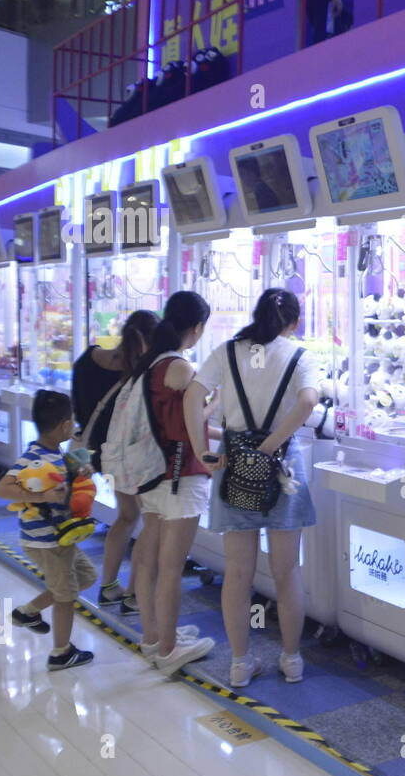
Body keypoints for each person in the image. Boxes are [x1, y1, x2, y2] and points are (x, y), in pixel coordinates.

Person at [187, 288, 321, 688]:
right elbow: (309, 402)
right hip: (284, 469)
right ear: (293, 322)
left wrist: (200, 450)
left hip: (234, 462)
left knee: (238, 572)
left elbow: (192, 397)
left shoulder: (227, 352)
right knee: (286, 571)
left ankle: (240, 663)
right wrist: (271, 445)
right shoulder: (300, 356)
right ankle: (292, 659)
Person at [129, 292, 218, 676]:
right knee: (171, 566)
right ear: (196, 328)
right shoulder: (180, 367)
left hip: (152, 474)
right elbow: (190, 421)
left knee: (149, 559)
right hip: (181, 474)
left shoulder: (152, 362)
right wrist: (217, 401)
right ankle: (168, 649)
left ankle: (154, 636)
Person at [0, 390, 98, 670]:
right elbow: (2, 489)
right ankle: (60, 653)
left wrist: (80, 473)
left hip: (59, 539)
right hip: (46, 542)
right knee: (66, 596)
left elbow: (60, 479)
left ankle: (27, 612)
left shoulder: (54, 453)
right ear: (65, 425)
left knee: (86, 576)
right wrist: (44, 496)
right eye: (72, 421)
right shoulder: (34, 458)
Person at [71, 310, 158, 613]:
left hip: (98, 454)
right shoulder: (139, 374)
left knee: (127, 515)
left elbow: (78, 408)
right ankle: (135, 593)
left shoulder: (87, 358)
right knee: (152, 521)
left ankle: (109, 586)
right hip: (129, 457)